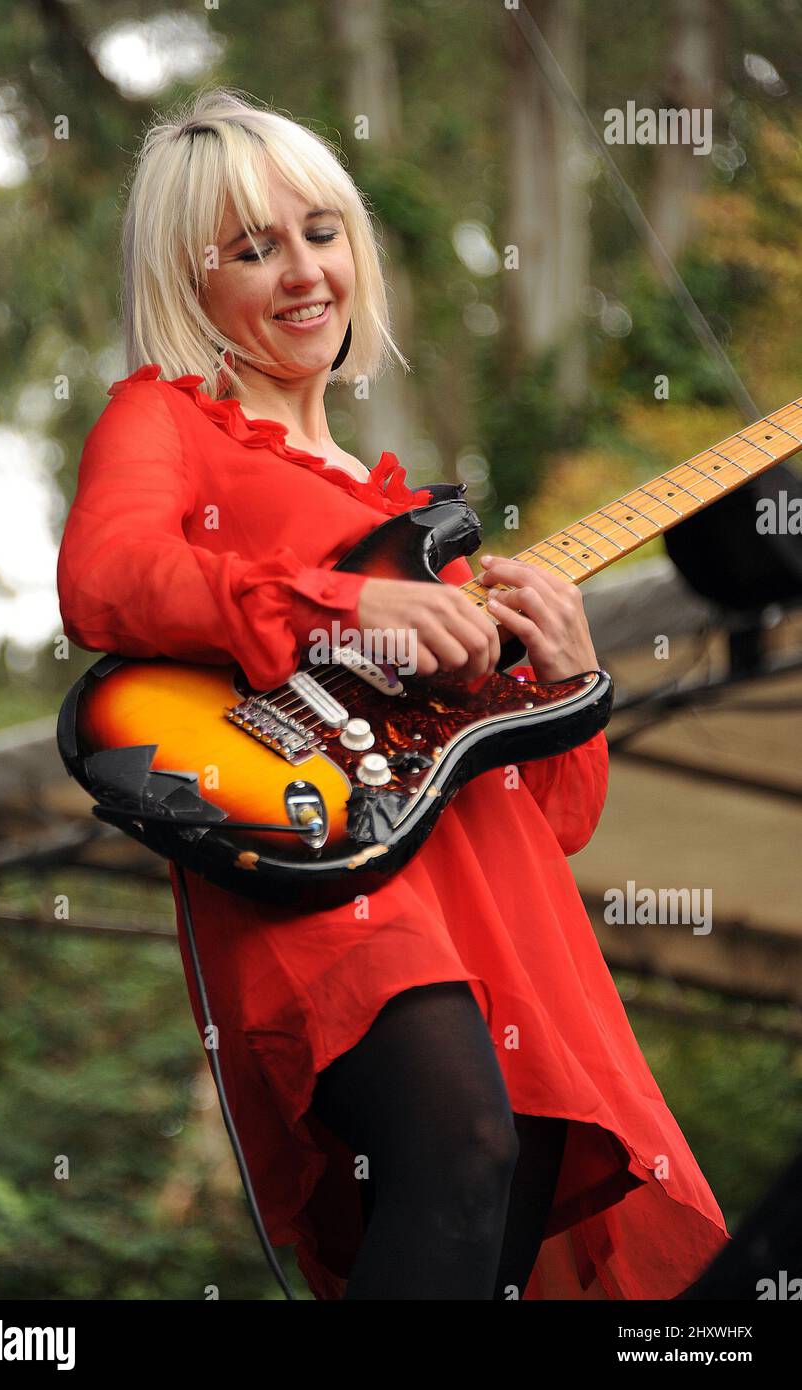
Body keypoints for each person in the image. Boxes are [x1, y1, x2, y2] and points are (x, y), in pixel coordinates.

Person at [56, 87, 730, 1300]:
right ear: (185, 279)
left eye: (321, 232)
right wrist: (340, 605)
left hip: (491, 897)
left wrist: (567, 673)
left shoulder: (412, 524)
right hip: (315, 845)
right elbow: (103, 581)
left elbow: (549, 816)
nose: (303, 271)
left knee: (499, 1197)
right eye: (252, 249)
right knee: (459, 1143)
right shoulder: (165, 420)